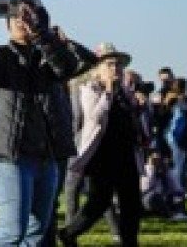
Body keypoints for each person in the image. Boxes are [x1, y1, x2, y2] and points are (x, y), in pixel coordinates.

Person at [0, 0, 91, 246]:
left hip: (47, 157)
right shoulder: (0, 56)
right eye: (16, 18)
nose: (21, 22)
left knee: (36, 233)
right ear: (8, 24)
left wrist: (44, 37)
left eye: (28, 17)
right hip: (11, 156)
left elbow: (72, 68)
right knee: (11, 233)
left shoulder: (50, 56)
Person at [59, 43, 144, 247]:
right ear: (98, 68)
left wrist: (137, 105)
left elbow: (133, 121)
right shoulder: (89, 89)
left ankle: (129, 241)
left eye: (119, 65)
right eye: (110, 64)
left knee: (131, 202)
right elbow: (95, 117)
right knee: (99, 202)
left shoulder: (125, 92)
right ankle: (69, 233)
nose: (115, 69)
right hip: (102, 155)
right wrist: (107, 92)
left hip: (126, 153)